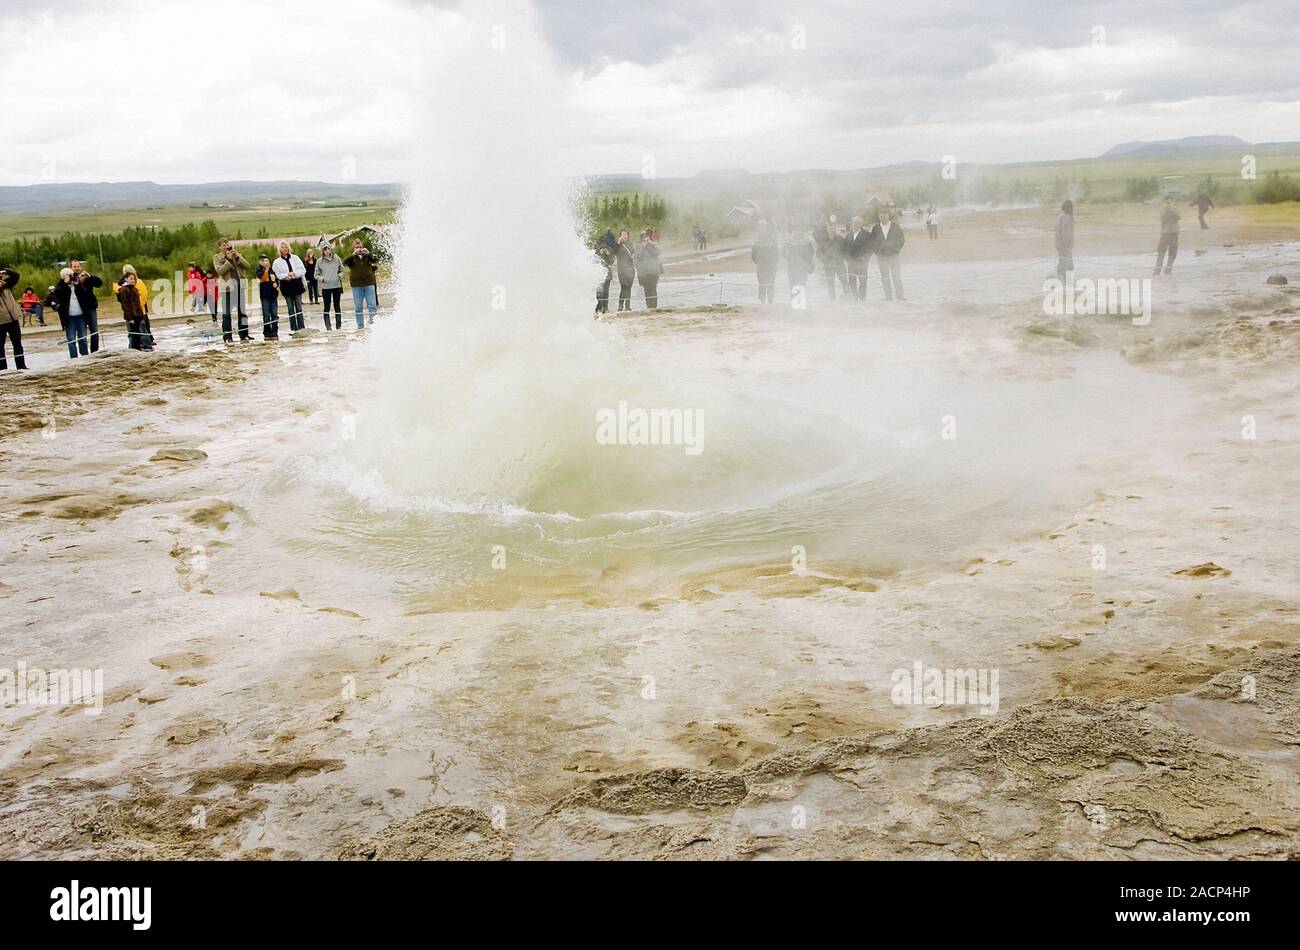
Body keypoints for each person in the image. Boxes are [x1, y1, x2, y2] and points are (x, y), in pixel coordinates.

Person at [49, 267, 95, 358]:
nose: (70, 277)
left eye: (71, 275)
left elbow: (86, 295)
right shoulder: (60, 286)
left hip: (81, 315)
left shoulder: (77, 283)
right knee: (71, 339)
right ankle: (73, 357)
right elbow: (54, 295)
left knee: (83, 338)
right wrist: (65, 284)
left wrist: (78, 285)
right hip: (69, 317)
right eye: (68, 276)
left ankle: (85, 356)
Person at [213, 238, 251, 343]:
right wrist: (228, 260)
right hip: (227, 289)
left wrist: (237, 257)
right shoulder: (217, 257)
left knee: (242, 312)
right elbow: (220, 271)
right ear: (220, 247)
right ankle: (227, 337)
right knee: (226, 314)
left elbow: (247, 265)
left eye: (227, 244)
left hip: (240, 286)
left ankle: (244, 335)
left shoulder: (236, 254)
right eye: (223, 245)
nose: (226, 246)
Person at [113, 265, 154, 349]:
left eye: (133, 279)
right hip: (134, 313)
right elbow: (125, 304)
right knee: (137, 331)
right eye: (131, 279)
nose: (133, 280)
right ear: (126, 278)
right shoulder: (124, 289)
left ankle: (143, 345)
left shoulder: (134, 288)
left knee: (138, 331)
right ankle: (138, 346)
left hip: (139, 312)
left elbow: (141, 298)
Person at [271, 240, 307, 333]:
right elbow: (277, 274)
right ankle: (293, 328)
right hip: (286, 286)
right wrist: (285, 276)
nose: (284, 249)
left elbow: (302, 270)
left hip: (296, 284)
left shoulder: (295, 258)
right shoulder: (276, 262)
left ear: (288, 248)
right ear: (280, 249)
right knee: (290, 308)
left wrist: (294, 274)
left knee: (298, 307)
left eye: (286, 247)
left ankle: (301, 327)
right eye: (282, 247)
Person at [343, 238, 379, 328]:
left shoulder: (367, 256)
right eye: (357, 247)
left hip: (369, 283)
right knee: (358, 307)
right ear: (354, 248)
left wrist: (368, 253)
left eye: (360, 247)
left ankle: (373, 325)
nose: (359, 249)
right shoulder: (352, 258)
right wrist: (353, 254)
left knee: (372, 305)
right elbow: (345, 262)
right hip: (356, 285)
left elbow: (376, 260)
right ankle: (360, 326)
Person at [68, 261, 103, 352]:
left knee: (94, 330)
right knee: (82, 334)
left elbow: (99, 283)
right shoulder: (70, 280)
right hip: (79, 309)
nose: (77, 268)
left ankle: (94, 351)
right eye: (74, 266)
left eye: (78, 266)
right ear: (71, 268)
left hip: (90, 307)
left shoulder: (86, 278)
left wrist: (90, 276)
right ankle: (84, 353)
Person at [871, 209, 906, 301]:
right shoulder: (876, 228)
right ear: (879, 217)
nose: (883, 218)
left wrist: (896, 251)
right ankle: (888, 296)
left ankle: (900, 296)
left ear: (888, 216)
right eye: (881, 216)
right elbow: (871, 242)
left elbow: (901, 240)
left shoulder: (895, 226)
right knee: (885, 277)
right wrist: (877, 253)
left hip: (894, 256)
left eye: (884, 215)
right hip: (881, 257)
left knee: (896, 276)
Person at [0, 266, 27, 371]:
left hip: (13, 318)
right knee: (0, 347)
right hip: (1, 321)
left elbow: (16, 275)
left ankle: (21, 366)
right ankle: (2, 369)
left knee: (17, 344)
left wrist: (5, 270)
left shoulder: (7, 284)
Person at [844, 215, 874, 301]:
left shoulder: (867, 235)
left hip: (862, 261)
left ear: (861, 224)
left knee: (862, 280)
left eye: (858, 222)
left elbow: (871, 248)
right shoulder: (849, 235)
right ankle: (853, 296)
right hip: (851, 262)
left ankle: (862, 297)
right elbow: (845, 248)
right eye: (854, 222)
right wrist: (847, 258)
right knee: (852, 279)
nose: (855, 224)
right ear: (852, 223)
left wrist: (865, 257)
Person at [314, 242, 344, 330]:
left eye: (328, 249)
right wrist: (322, 279)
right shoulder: (319, 261)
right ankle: (328, 327)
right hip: (326, 287)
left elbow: (342, 269)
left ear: (331, 249)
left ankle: (338, 326)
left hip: (336, 286)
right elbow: (315, 275)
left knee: (337, 306)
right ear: (322, 251)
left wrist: (339, 276)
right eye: (325, 249)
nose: (327, 251)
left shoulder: (336, 258)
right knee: (326, 307)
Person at [782, 228, 815, 303]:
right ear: (793, 232)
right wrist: (789, 258)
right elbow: (783, 251)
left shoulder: (806, 242)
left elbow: (811, 253)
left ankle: (802, 301)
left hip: (803, 267)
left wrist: (809, 263)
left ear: (801, 231)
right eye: (795, 230)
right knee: (793, 284)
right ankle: (794, 302)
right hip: (792, 267)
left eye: (798, 230)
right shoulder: (789, 242)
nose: (797, 232)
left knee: (802, 283)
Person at [751, 220, 780, 304]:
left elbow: (776, 253)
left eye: (763, 227)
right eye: (760, 228)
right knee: (762, 282)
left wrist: (774, 263)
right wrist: (759, 263)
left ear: (766, 228)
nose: (761, 229)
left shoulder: (772, 240)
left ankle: (770, 298)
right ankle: (762, 300)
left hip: (771, 266)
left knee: (771, 282)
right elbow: (753, 256)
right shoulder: (756, 242)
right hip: (761, 266)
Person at [636, 229, 662, 309]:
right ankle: (648, 307)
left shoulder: (653, 244)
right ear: (641, 238)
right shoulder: (638, 245)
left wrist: (651, 245)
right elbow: (638, 257)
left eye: (646, 236)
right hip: (644, 271)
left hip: (654, 270)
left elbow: (658, 253)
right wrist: (643, 247)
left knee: (653, 289)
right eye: (643, 236)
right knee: (647, 290)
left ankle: (654, 307)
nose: (645, 238)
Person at [1155, 196, 1180, 276]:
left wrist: (1172, 208)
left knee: (1172, 252)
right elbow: (1163, 218)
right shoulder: (1164, 209)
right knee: (1161, 252)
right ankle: (1157, 270)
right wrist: (1170, 208)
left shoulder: (1172, 208)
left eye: (1169, 202)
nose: (1168, 204)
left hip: (1172, 233)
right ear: (1164, 202)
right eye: (1167, 202)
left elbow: (1178, 217)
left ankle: (1167, 270)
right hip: (1167, 233)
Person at [256, 255, 279, 338]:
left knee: (274, 313)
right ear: (260, 262)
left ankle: (275, 330)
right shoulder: (259, 270)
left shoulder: (273, 270)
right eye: (263, 261)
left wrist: (276, 283)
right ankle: (267, 331)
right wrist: (265, 269)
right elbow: (260, 277)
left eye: (267, 261)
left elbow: (276, 280)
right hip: (264, 295)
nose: (266, 262)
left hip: (273, 295)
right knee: (266, 314)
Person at [614, 229, 636, 312]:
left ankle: (627, 306)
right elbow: (614, 252)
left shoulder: (630, 244)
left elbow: (633, 253)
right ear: (620, 236)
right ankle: (620, 305)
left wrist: (634, 256)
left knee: (629, 287)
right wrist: (618, 243)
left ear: (628, 235)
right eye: (622, 234)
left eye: (625, 234)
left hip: (630, 269)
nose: (624, 236)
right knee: (624, 286)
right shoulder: (618, 244)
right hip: (621, 269)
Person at [1054, 200, 1074, 284]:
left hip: (1059, 245)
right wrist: (1068, 248)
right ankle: (1068, 283)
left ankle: (1060, 281)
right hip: (1064, 246)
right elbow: (1066, 234)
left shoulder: (1060, 217)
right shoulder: (1067, 218)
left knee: (1062, 264)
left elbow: (1058, 231)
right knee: (1069, 266)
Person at [594, 242, 614, 316]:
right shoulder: (597, 250)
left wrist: (608, 254)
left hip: (608, 275)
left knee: (606, 293)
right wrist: (600, 253)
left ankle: (605, 308)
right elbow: (594, 261)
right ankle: (598, 309)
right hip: (599, 275)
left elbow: (611, 261)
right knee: (599, 293)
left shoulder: (610, 250)